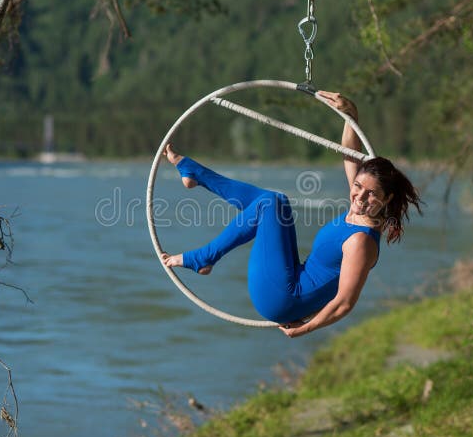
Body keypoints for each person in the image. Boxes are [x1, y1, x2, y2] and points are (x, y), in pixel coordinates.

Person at [162, 91, 421, 337]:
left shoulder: (361, 241)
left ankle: (204, 258)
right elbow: (349, 153)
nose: (361, 197)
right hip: (291, 283)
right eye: (357, 187)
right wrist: (351, 114)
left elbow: (344, 303)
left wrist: (304, 328)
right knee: (274, 203)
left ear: (387, 199)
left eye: (372, 194)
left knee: (270, 204)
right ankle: (192, 172)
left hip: (284, 298)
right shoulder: (358, 209)